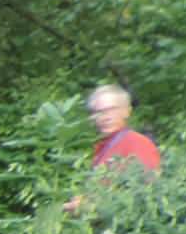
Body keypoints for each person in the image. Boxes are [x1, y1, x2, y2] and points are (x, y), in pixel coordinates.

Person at [64, 84, 159, 215]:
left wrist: (91, 206)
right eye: (98, 112)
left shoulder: (138, 143)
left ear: (127, 111)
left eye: (111, 110)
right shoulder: (96, 147)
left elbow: (147, 193)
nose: (105, 117)